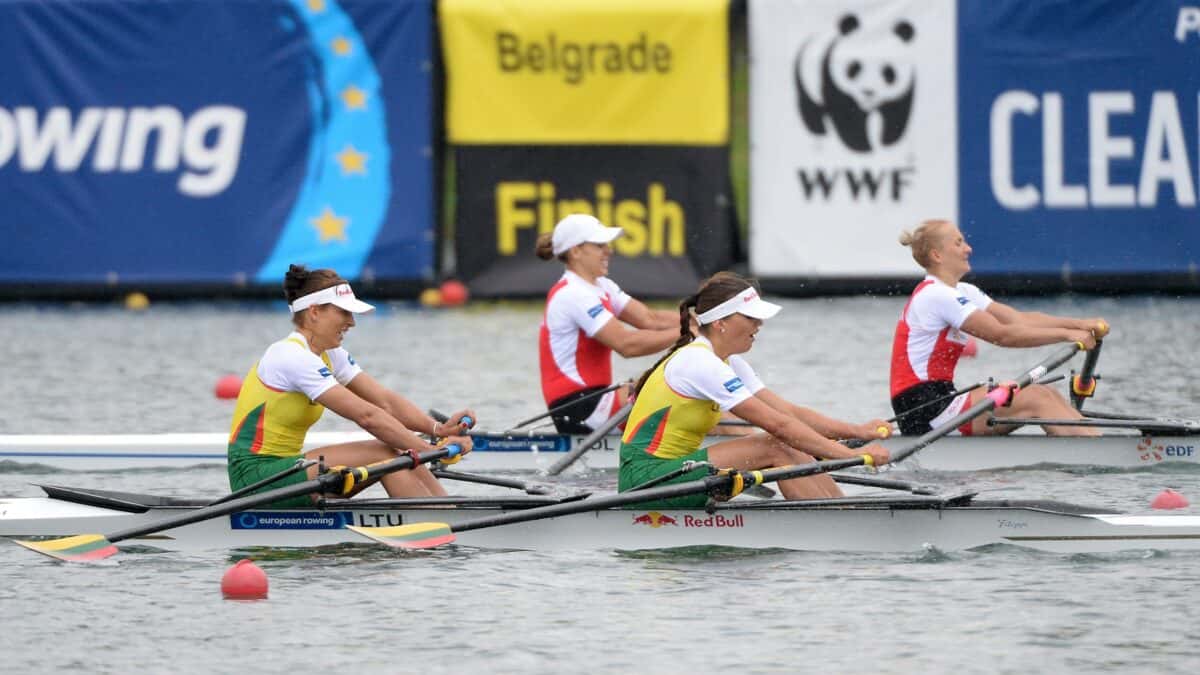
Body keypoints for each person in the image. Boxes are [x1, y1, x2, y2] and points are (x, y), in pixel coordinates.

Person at [618, 272, 892, 506]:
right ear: (720, 323)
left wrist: (857, 431)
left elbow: (789, 412)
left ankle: (843, 511)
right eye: (751, 317)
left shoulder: (729, 361)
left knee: (787, 443)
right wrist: (852, 456)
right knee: (778, 444)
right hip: (645, 480)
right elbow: (779, 425)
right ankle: (834, 524)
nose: (759, 325)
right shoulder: (699, 361)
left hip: (678, 470)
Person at [227, 264, 475, 507]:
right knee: (385, 452)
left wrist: (439, 430)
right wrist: (427, 449)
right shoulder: (291, 356)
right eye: (344, 312)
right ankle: (435, 520)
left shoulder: (330, 353)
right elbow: (367, 416)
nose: (352, 322)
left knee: (398, 446)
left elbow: (385, 402)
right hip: (254, 479)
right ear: (314, 312)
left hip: (290, 470)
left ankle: (446, 512)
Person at [890, 219, 1106, 437]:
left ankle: (1093, 442)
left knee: (1047, 393)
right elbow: (1002, 335)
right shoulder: (936, 295)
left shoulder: (963, 291)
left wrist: (1080, 325)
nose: (968, 248)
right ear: (937, 255)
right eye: (958, 243)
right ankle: (1092, 450)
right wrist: (1068, 335)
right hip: (920, 408)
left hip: (941, 397)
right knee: (1037, 398)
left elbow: (1018, 320)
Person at [535, 213, 680, 434]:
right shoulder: (572, 293)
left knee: (693, 391)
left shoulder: (602, 285)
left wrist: (700, 319)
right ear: (575, 251)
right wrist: (690, 332)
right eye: (600, 245)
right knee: (684, 390)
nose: (608, 251)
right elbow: (627, 345)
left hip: (598, 398)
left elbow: (650, 319)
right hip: (577, 407)